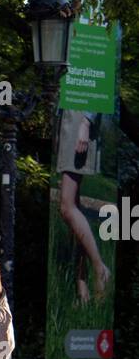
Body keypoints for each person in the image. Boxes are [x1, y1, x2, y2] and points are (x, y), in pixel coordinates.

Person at [55, 108, 110, 304]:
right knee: (73, 206)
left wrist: (86, 122)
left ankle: (100, 268)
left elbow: (100, 77)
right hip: (71, 118)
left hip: (79, 119)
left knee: (66, 207)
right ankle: (82, 288)